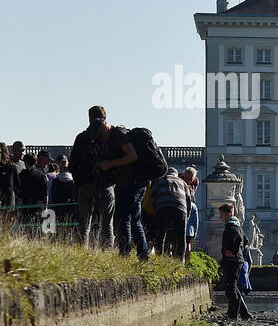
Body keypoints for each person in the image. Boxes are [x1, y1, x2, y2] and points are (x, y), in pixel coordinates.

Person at [89, 118, 148, 260]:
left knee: (129, 219)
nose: (101, 140)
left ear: (105, 128)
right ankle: (135, 254)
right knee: (128, 219)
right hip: (125, 183)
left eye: (100, 136)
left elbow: (132, 156)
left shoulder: (119, 134)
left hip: (133, 183)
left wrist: (110, 164)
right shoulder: (111, 137)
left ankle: (132, 254)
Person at [70, 108, 116, 250]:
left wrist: (79, 181)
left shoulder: (81, 137)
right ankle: (107, 253)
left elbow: (72, 164)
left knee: (84, 223)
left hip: (86, 184)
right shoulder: (111, 135)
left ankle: (81, 251)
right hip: (106, 184)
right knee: (107, 223)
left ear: (89, 118)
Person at [218, 203, 252, 319]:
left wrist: (233, 251)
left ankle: (233, 313)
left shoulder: (231, 227)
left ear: (228, 214)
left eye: (221, 214)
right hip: (236, 260)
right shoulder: (237, 225)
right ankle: (244, 313)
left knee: (231, 288)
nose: (220, 217)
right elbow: (246, 240)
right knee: (232, 287)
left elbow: (237, 239)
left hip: (233, 260)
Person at [150, 167, 191, 259]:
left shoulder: (160, 180)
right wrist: (186, 217)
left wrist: (157, 208)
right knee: (181, 238)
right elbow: (189, 202)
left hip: (163, 208)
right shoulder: (183, 183)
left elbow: (152, 197)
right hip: (180, 209)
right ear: (176, 175)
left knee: (160, 235)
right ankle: (180, 260)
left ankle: (159, 257)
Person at [16, 152, 50, 236]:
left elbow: (20, 194)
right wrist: (45, 207)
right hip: (39, 207)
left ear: (25, 162)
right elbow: (45, 194)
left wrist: (18, 209)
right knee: (37, 231)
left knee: (26, 231)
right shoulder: (42, 175)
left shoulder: (22, 175)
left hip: (26, 207)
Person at [0, 144, 18, 216]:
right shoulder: (11, 166)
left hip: (7, 197)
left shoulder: (10, 166)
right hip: (9, 197)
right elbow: (17, 184)